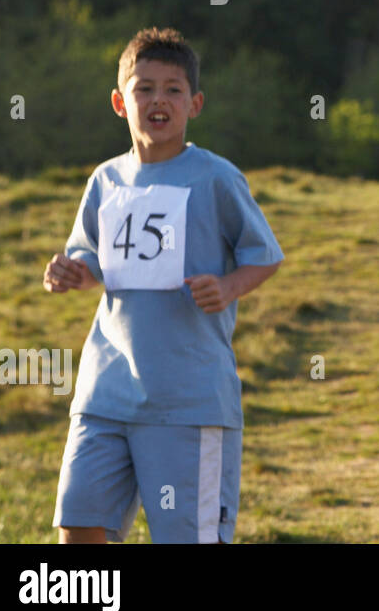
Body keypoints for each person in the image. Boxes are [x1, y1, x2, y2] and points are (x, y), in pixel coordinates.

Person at [43, 27, 283, 542]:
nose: (158, 100)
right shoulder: (105, 180)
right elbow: (93, 263)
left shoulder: (215, 177)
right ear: (118, 101)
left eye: (173, 89)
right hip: (104, 393)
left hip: (188, 401)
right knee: (78, 530)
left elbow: (264, 257)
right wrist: (70, 273)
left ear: (195, 103)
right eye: (143, 87)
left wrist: (229, 287)